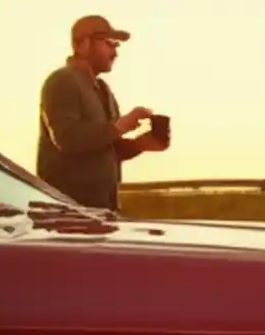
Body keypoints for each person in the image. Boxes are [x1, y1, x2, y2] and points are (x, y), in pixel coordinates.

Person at [36, 15, 168, 212]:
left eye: (116, 46)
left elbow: (107, 149)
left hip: (104, 210)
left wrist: (141, 144)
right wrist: (121, 125)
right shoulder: (62, 81)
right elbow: (66, 138)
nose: (115, 53)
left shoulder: (104, 90)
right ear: (82, 44)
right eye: (109, 43)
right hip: (68, 214)